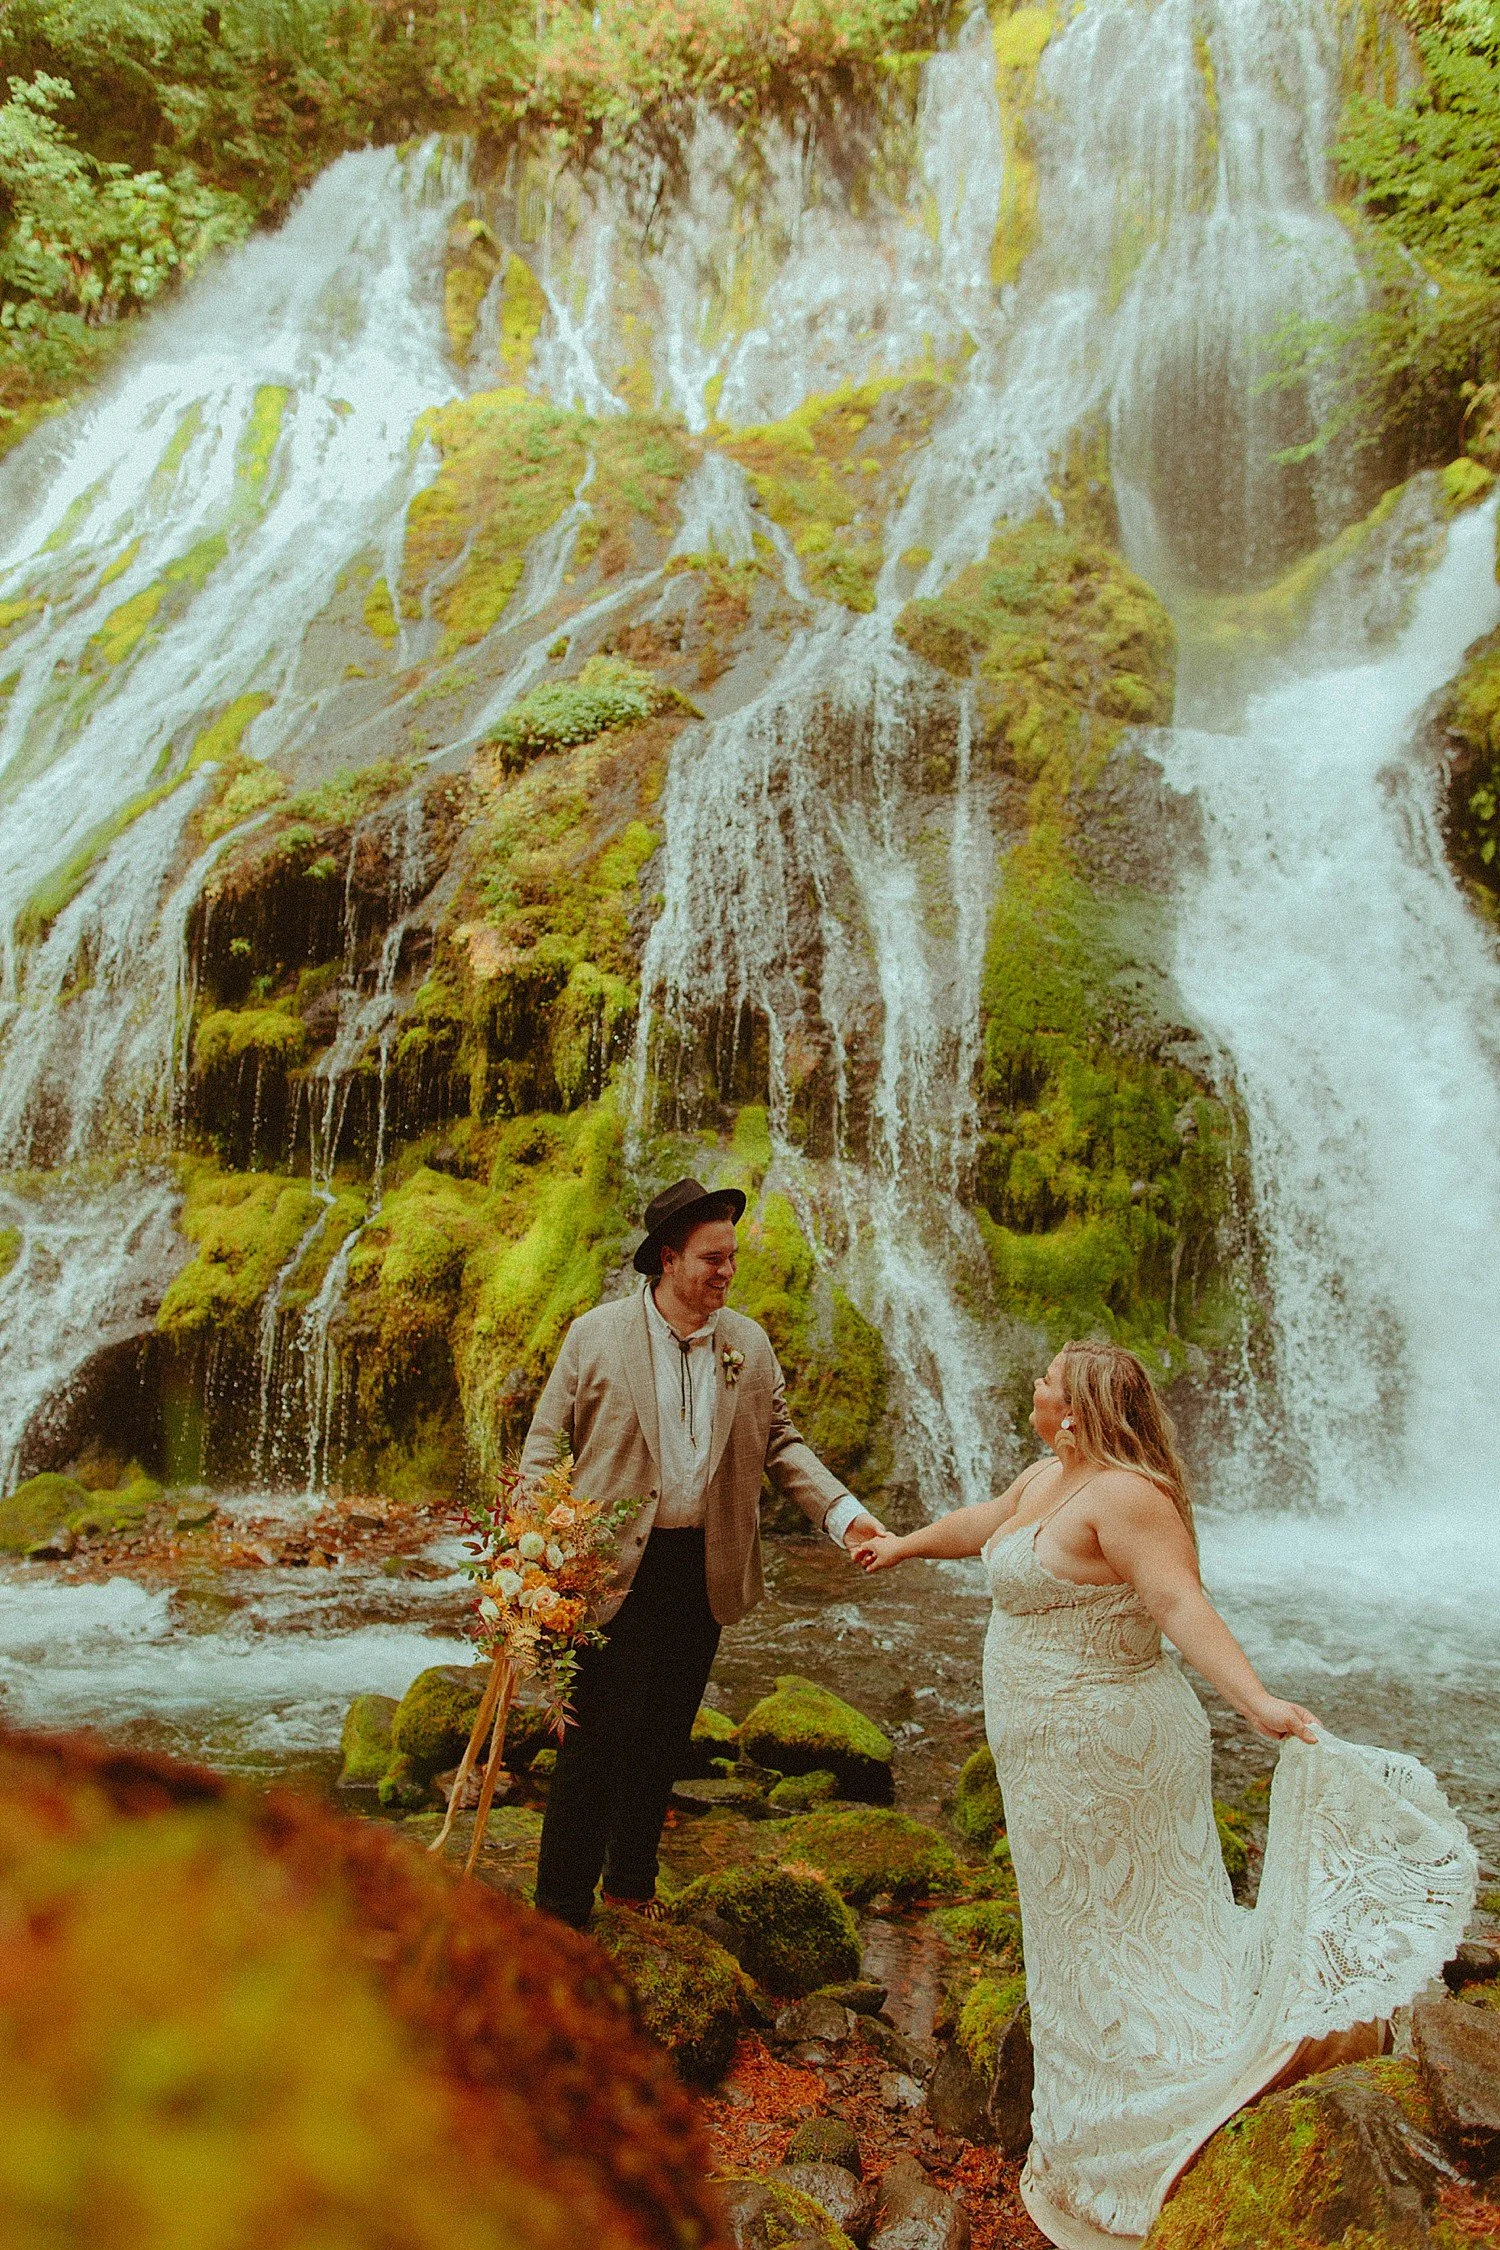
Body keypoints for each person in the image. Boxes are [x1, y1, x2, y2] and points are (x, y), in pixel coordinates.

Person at [855, 1338, 1476, 2250]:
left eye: (1047, 1382)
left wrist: (1257, 1700)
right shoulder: (1046, 1476)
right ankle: (1092, 2120)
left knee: (1131, 1922)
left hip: (1115, 1754)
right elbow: (984, 1520)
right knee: (1076, 1929)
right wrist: (903, 1545)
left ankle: (1166, 2106)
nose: (1032, 1387)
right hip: (1046, 1763)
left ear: (1079, 1407)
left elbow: (1182, 1605)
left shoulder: (1127, 1495)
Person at [521, 1176, 886, 1930]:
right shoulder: (594, 1336)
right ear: (667, 1258)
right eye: (712, 1259)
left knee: (663, 1737)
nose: (726, 1272)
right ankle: (558, 1913)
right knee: (593, 1744)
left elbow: (783, 1445)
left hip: (702, 1570)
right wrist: (529, 1553)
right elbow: (543, 1446)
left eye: (731, 1259)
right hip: (608, 1569)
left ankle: (630, 1885)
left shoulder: (747, 1345)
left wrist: (846, 1518)